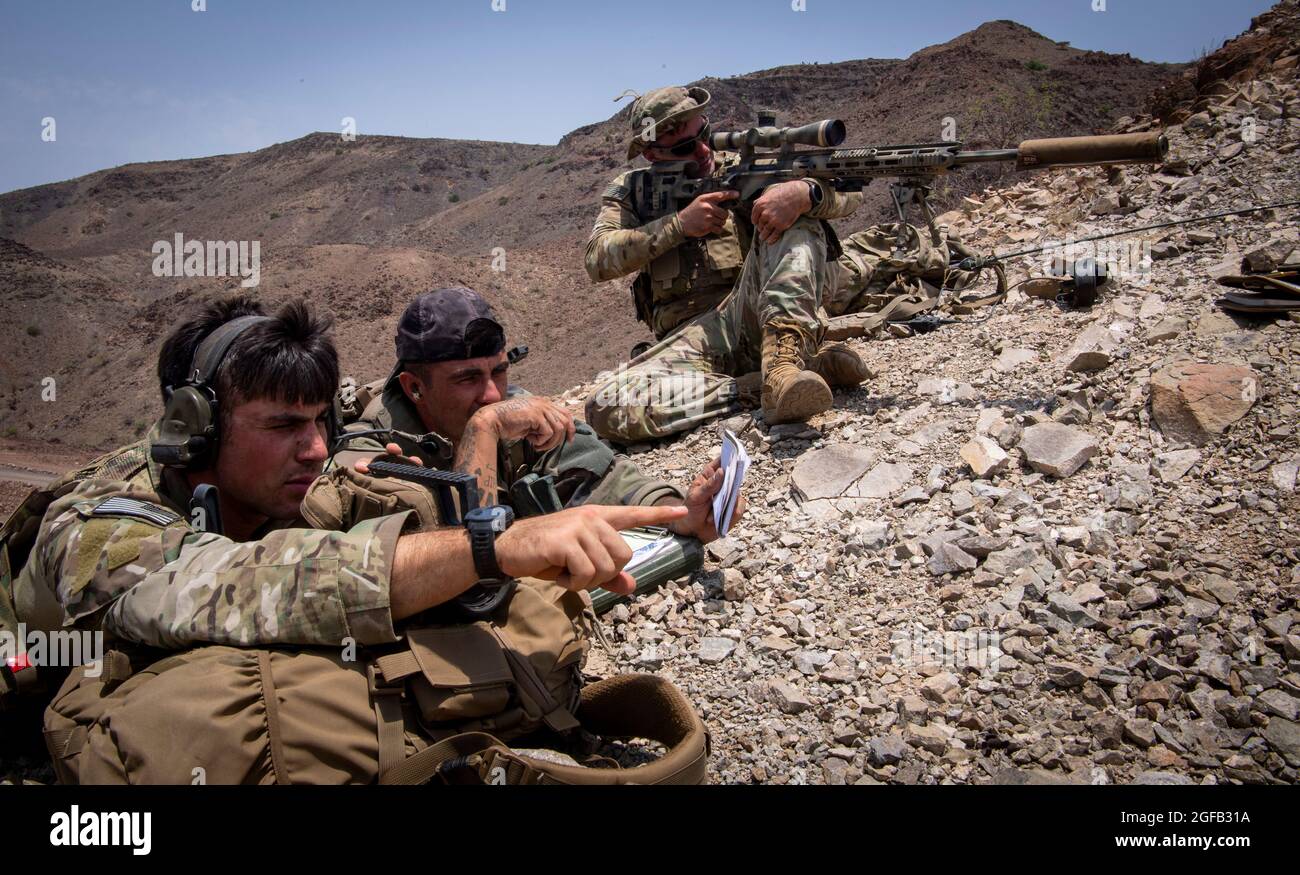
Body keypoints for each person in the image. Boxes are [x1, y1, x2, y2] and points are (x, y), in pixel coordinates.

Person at [3, 296, 686, 672]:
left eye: (320, 421)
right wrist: (490, 548)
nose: (316, 447)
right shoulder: (103, 531)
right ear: (200, 428)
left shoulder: (286, 475)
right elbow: (246, 582)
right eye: (283, 425)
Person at [335, 286, 737, 544]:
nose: (492, 394)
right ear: (414, 387)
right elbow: (467, 554)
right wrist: (483, 430)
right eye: (467, 379)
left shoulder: (516, 412)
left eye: (499, 370)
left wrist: (681, 513)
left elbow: (600, 474)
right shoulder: (372, 455)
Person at [584, 85, 871, 438]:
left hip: (755, 313)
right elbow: (597, 259)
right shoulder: (632, 189)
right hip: (694, 343)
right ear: (651, 153)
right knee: (607, 406)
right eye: (685, 147)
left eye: (704, 133)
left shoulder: (747, 167)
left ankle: (783, 365)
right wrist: (677, 226)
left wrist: (806, 195)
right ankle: (759, 387)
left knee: (793, 214)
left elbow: (850, 190)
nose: (704, 150)